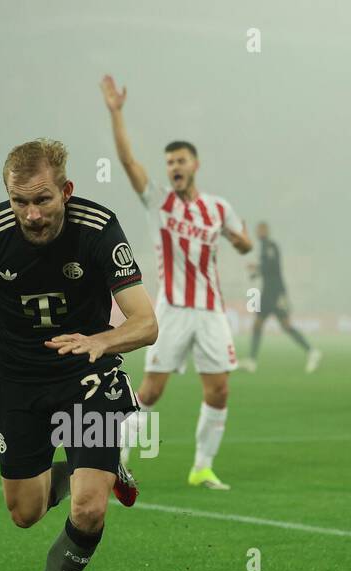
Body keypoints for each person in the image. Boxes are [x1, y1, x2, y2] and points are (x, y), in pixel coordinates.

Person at [0, 139, 158, 571]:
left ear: (66, 191)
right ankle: (102, 471)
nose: (31, 213)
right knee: (24, 512)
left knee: (89, 510)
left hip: (85, 378)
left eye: (43, 199)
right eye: (19, 201)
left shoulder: (98, 228)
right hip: (20, 380)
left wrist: (101, 341)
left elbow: (146, 322)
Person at [102, 74, 252, 490]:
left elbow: (243, 241)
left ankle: (202, 466)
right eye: (169, 163)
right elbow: (130, 163)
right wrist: (117, 113)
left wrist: (241, 241)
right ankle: (117, 458)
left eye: (181, 161)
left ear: (195, 164)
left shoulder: (217, 208)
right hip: (170, 309)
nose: (174, 167)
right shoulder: (159, 202)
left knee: (219, 390)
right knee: (150, 391)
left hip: (211, 312)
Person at [244, 221, 321, 373]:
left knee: (285, 325)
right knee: (257, 324)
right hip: (267, 292)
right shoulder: (263, 248)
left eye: (262, 229)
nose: (259, 232)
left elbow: (272, 267)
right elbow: (268, 269)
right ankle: (251, 361)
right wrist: (257, 272)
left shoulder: (270, 246)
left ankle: (312, 351)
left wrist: (257, 268)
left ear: (266, 231)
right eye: (258, 229)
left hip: (276, 292)